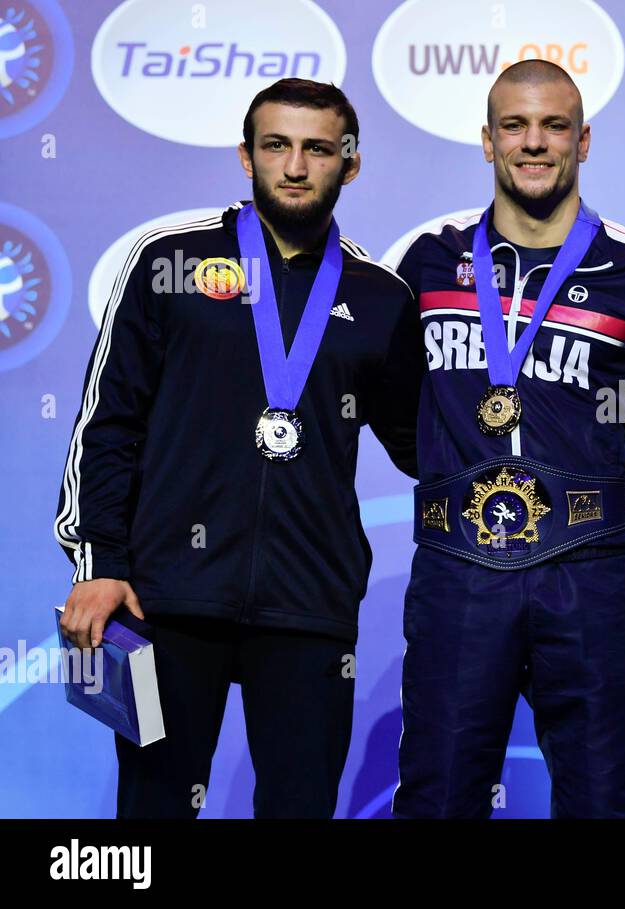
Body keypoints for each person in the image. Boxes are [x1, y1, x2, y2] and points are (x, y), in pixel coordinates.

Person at [53, 78, 422, 818]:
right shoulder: (170, 260)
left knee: (300, 807)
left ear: (350, 164)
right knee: (152, 813)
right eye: (276, 146)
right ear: (245, 155)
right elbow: (108, 422)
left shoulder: (382, 299)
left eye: (317, 149)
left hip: (310, 606)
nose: (294, 166)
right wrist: (100, 565)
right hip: (162, 599)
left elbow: (425, 446)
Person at [391, 60, 625, 819]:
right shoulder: (430, 263)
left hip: (589, 574)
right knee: (436, 797)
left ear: (584, 140)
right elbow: (400, 407)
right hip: (458, 571)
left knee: (603, 799)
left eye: (554, 126)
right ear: (487, 140)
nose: (534, 143)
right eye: (515, 126)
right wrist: (445, 483)